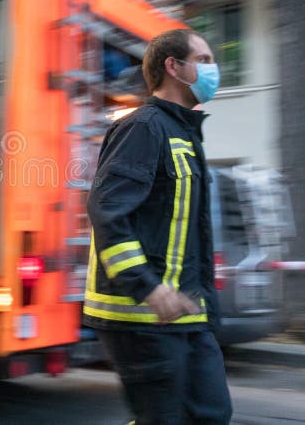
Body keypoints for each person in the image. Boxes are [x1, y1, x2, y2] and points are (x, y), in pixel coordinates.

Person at [82, 28, 231, 424]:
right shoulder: (144, 127)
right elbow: (107, 210)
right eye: (203, 60)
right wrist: (147, 286)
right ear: (174, 67)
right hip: (142, 319)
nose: (213, 69)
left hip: (186, 315)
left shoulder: (184, 134)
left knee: (211, 415)